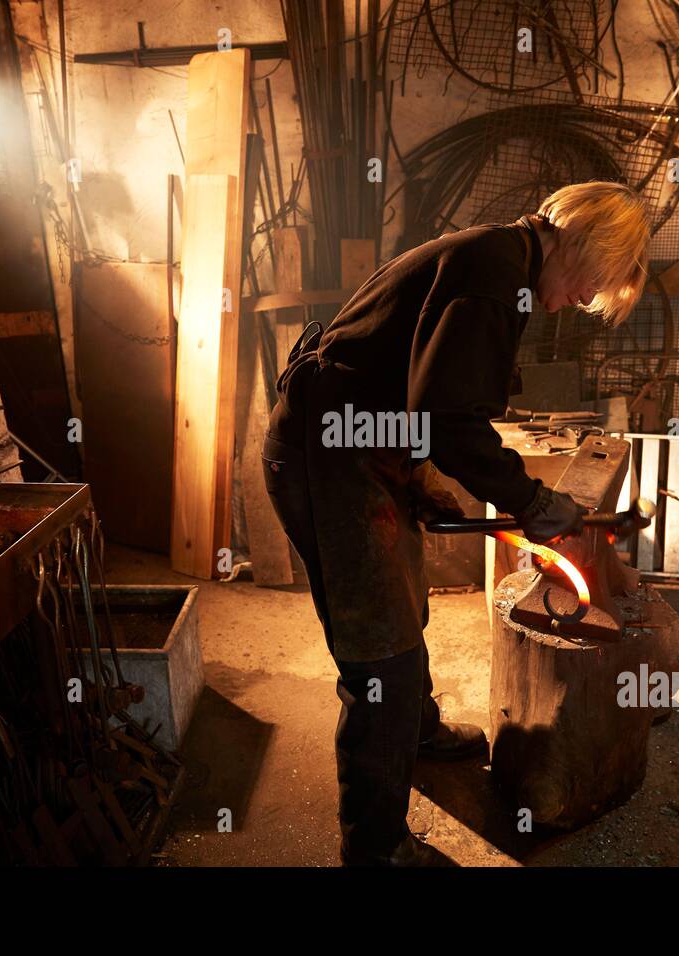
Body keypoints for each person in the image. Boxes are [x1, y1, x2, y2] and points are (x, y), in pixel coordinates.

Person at [262, 181, 651, 866]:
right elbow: (450, 421)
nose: (575, 302)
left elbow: (419, 390)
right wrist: (530, 501)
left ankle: (414, 733)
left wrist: (423, 477)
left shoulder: (501, 259)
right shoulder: (495, 277)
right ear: (584, 244)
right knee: (380, 654)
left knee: (406, 605)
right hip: (328, 458)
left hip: (360, 445)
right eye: (588, 284)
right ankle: (374, 846)